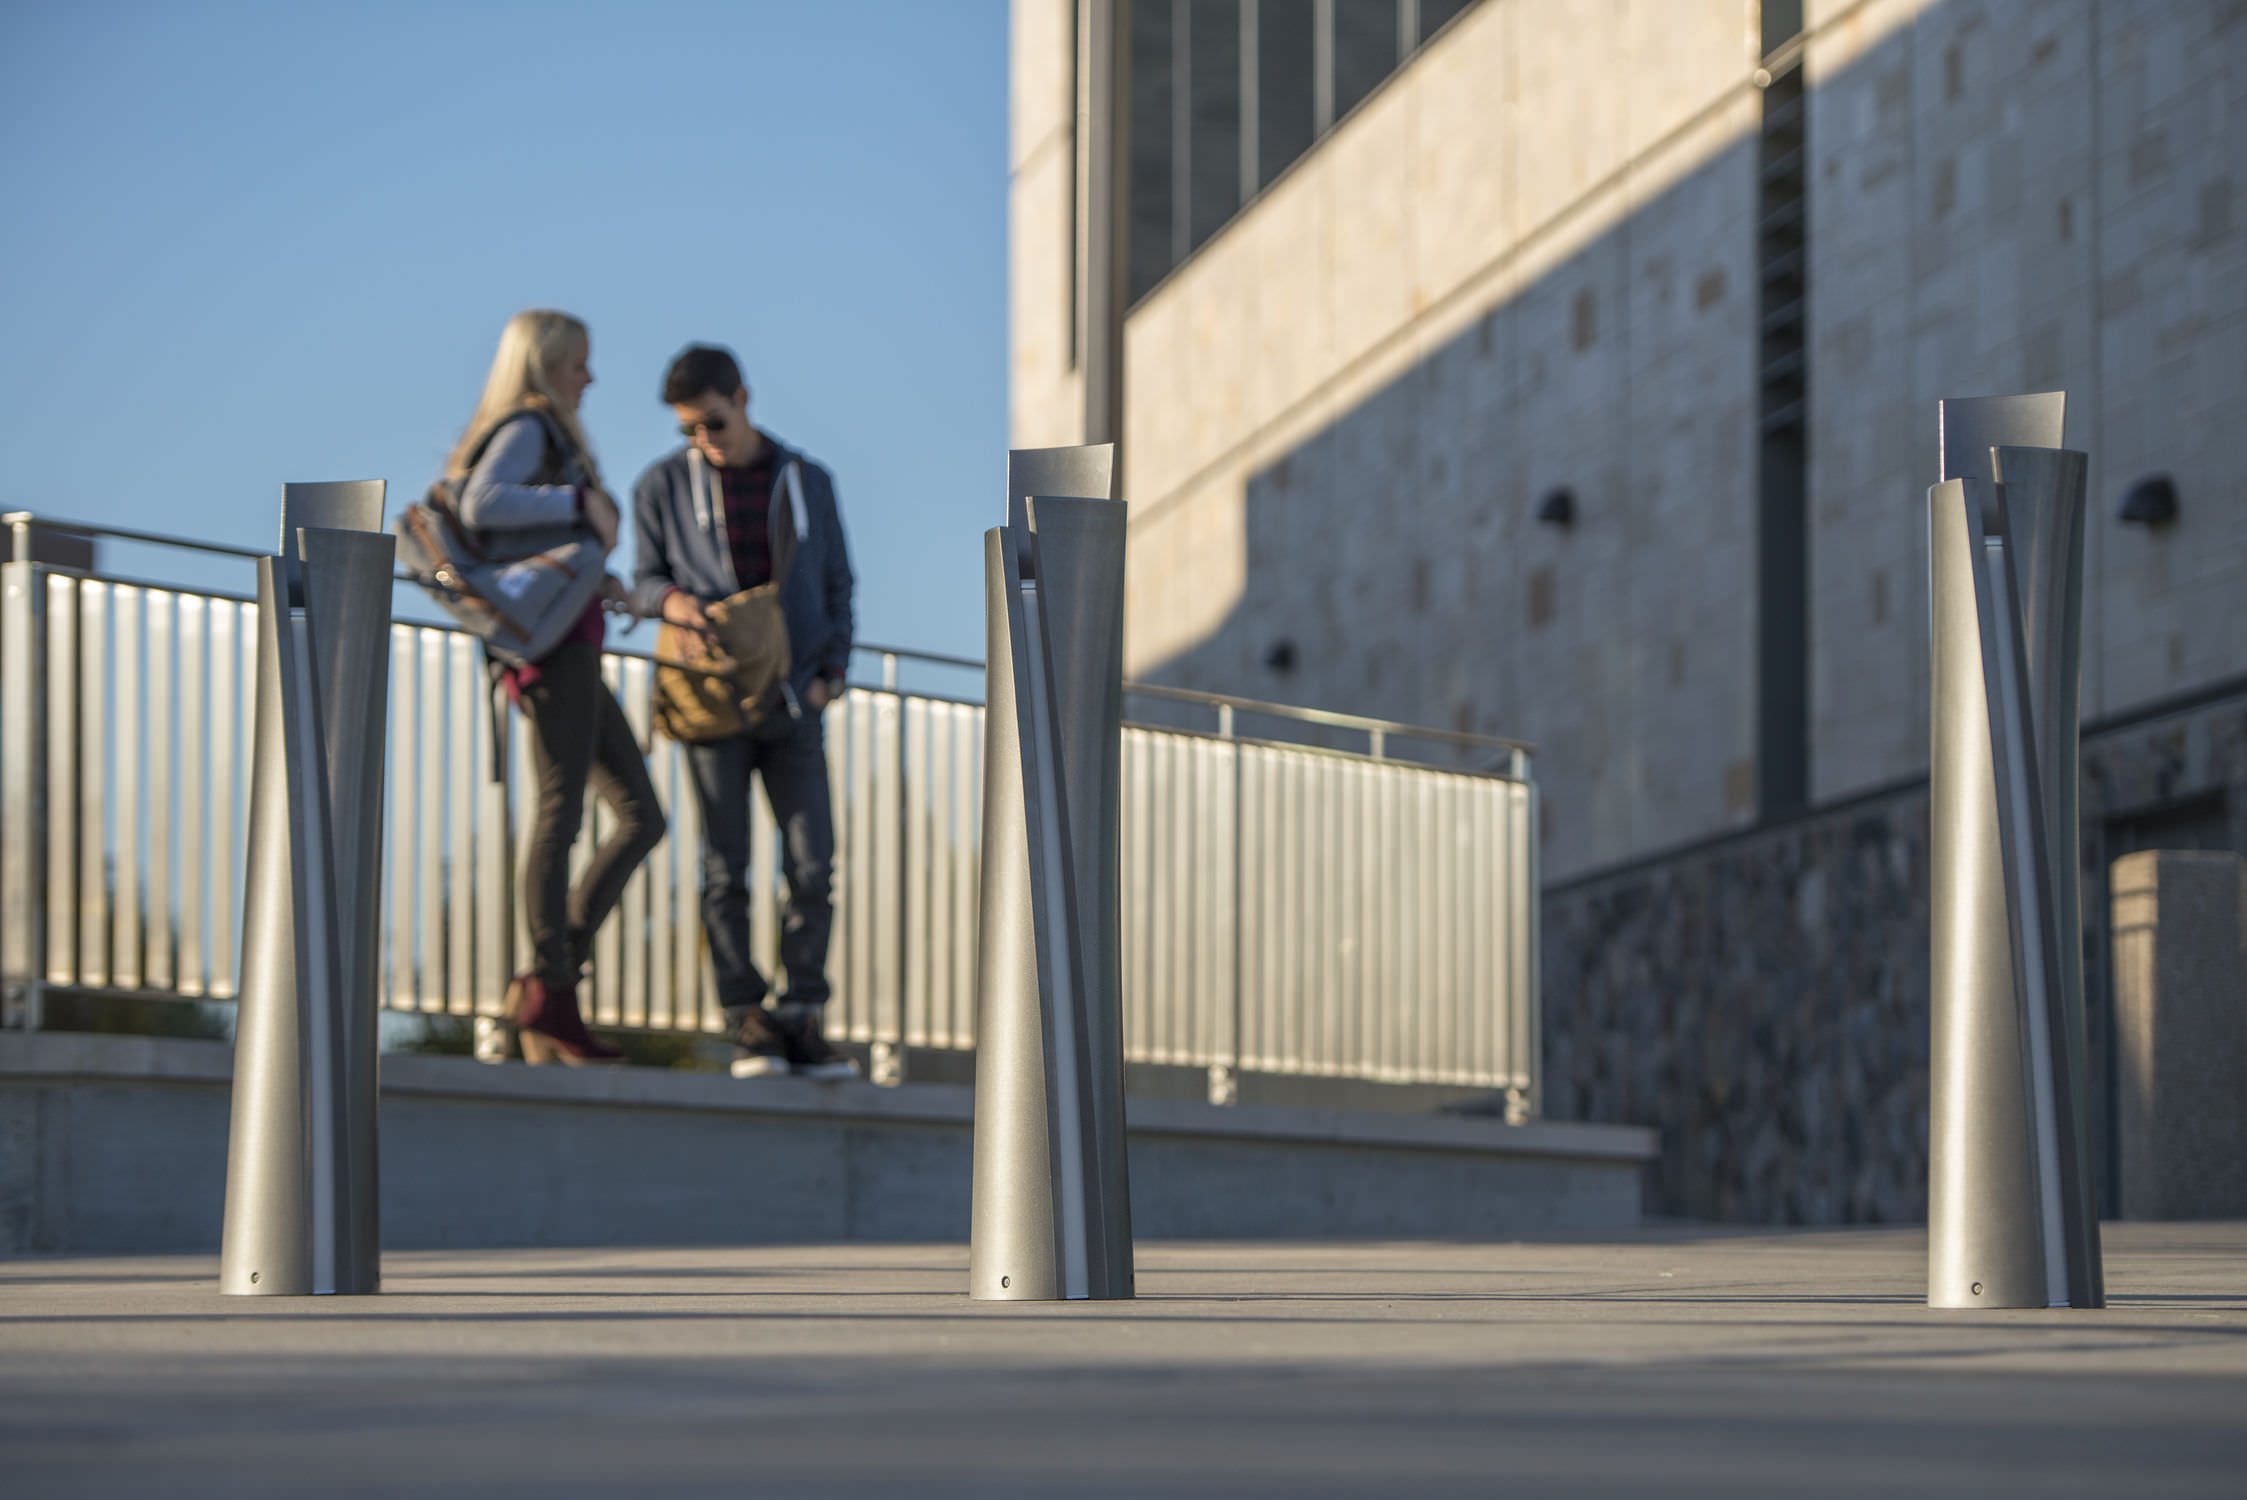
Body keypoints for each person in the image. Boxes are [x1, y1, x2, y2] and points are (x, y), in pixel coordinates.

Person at [631, 344, 859, 1079]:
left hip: (794, 698)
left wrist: (829, 674)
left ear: (743, 398)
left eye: (715, 423)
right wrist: (673, 603)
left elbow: (837, 582)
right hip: (710, 699)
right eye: (690, 430)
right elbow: (645, 577)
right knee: (724, 866)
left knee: (812, 863)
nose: (704, 440)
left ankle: (803, 1014)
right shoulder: (661, 485)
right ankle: (747, 1018)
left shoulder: (806, 480)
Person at [450, 309, 665, 1065]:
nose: (589, 377)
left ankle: (548, 980)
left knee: (641, 815)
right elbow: (482, 501)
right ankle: (550, 989)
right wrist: (581, 505)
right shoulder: (530, 426)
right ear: (544, 366)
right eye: (578, 363)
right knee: (563, 813)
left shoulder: (546, 431)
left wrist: (592, 574)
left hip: (569, 646)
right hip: (550, 657)